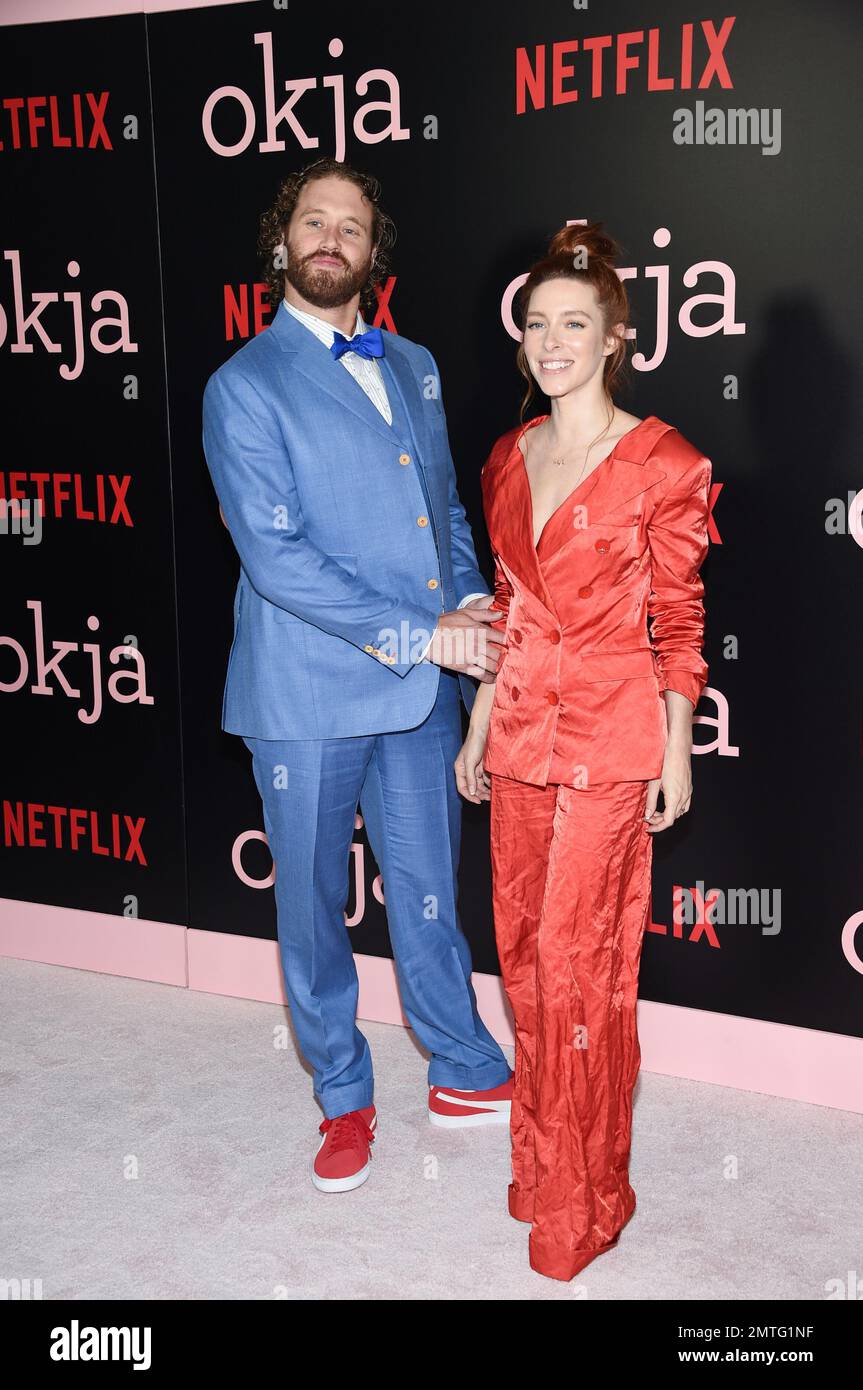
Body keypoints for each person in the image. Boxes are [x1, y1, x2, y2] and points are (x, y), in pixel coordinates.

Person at [202, 156, 513, 1194]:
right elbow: (275, 558)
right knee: (312, 908)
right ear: (279, 241)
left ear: (373, 253)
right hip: (305, 694)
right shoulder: (242, 385)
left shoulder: (414, 363)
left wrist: (466, 604)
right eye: (312, 220)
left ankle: (464, 1065)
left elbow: (445, 513)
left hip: (419, 690)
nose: (331, 238)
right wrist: (426, 636)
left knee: (428, 893)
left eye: (352, 225)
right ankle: (341, 1094)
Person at [455, 221, 712, 1281]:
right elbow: (510, 606)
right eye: (536, 324)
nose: (551, 341)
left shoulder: (664, 462)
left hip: (609, 744)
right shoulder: (506, 458)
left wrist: (676, 743)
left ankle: (586, 1195)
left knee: (581, 971)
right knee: (522, 961)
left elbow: (678, 620)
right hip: (515, 733)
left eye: (574, 324)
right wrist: (476, 722)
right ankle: (539, 1165)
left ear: (615, 337)